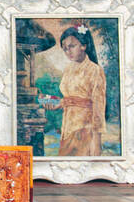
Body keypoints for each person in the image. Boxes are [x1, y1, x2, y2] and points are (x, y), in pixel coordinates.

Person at [38, 25, 106, 157]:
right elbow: (69, 98)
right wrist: (58, 103)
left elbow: (98, 106)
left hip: (85, 128)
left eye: (72, 46)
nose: (68, 51)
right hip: (67, 127)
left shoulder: (94, 70)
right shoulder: (68, 69)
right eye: (64, 49)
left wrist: (97, 140)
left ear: (84, 45)